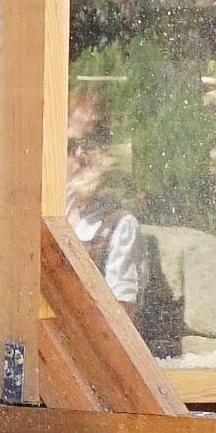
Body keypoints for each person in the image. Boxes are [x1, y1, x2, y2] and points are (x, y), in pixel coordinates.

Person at [66, 86, 148, 320]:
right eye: (71, 147)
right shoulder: (57, 209)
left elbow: (120, 321)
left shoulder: (121, 225)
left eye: (90, 144)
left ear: (105, 150)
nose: (80, 155)